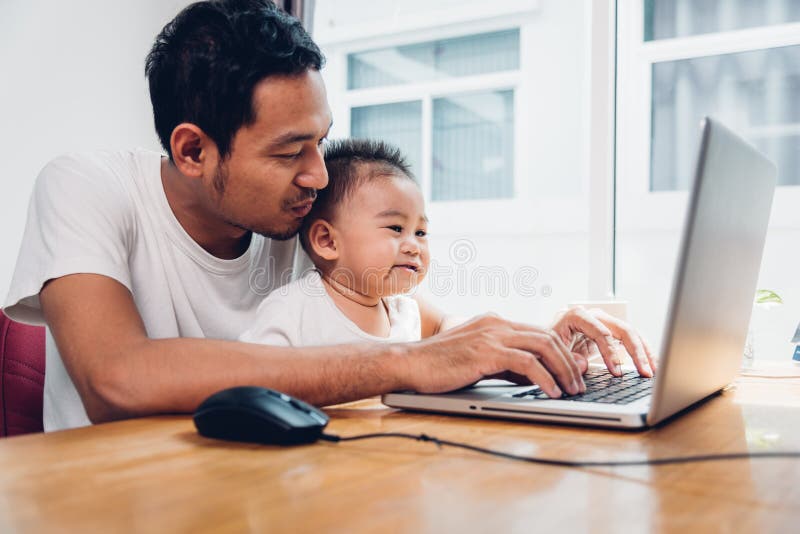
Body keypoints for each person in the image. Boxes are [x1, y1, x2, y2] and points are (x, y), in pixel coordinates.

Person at [2, 0, 655, 432]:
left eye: (320, 139)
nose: (318, 174)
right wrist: (402, 363)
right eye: (290, 152)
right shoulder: (86, 186)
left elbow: (423, 320)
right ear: (193, 150)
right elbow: (116, 379)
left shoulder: (301, 213)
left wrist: (525, 343)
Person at [240, 139, 430, 347]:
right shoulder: (292, 310)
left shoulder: (406, 314)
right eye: (396, 228)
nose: (414, 247)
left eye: (420, 232)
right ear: (327, 241)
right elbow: (257, 372)